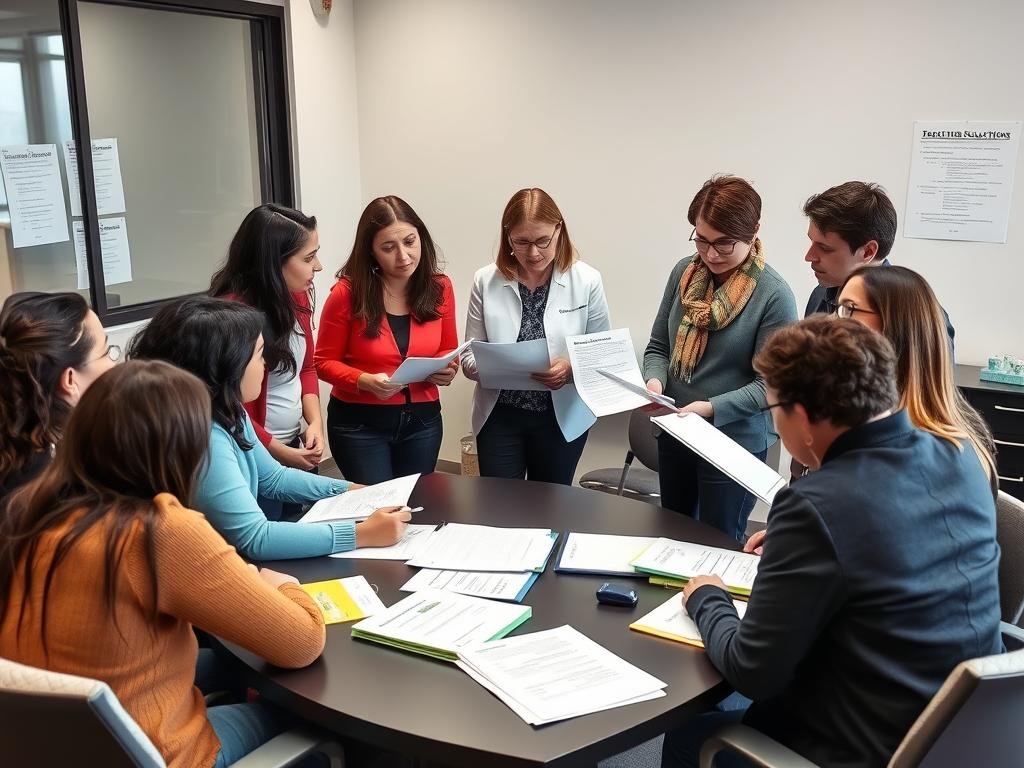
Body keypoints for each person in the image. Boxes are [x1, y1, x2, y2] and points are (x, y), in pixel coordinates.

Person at [661, 315, 1002, 768]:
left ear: (801, 416)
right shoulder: (957, 453)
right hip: (964, 731)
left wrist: (707, 597)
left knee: (688, 736)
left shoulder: (814, 505)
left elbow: (752, 671)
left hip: (861, 746)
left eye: (773, 409)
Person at [0, 360, 328, 767]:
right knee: (313, 715)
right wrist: (282, 586)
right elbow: (302, 642)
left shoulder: (33, 510)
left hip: (58, 745)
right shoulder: (157, 531)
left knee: (229, 667)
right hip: (159, 750)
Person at [128, 296, 409, 561]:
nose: (266, 365)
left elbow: (273, 478)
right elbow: (255, 536)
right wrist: (361, 534)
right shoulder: (202, 438)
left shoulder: (227, 408)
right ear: (226, 366)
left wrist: (352, 490)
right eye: (260, 354)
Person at [643, 176, 797, 541]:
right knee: (671, 537)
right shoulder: (685, 272)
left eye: (725, 243)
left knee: (719, 543)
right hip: (676, 429)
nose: (710, 254)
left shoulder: (774, 295)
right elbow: (658, 347)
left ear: (754, 231)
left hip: (734, 442)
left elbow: (771, 387)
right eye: (702, 239)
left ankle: (713, 601)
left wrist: (709, 408)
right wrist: (654, 383)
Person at [461, 187, 610, 485]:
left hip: (561, 417)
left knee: (551, 507)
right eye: (521, 242)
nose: (533, 253)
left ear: (560, 231)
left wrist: (569, 371)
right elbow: (467, 356)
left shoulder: (587, 281)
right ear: (507, 237)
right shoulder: (485, 280)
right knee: (500, 507)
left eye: (543, 241)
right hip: (500, 416)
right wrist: (496, 369)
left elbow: (601, 354)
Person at [315, 196, 458, 485]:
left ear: (422, 238)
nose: (403, 256)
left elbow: (448, 348)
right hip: (359, 425)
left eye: (409, 241)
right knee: (376, 512)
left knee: (417, 507)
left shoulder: (440, 287)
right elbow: (322, 362)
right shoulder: (346, 294)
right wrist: (363, 381)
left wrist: (447, 368)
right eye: (388, 248)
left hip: (423, 421)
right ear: (371, 252)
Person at [837, 264, 997, 489]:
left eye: (849, 309)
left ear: (894, 325)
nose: (835, 323)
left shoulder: (931, 455)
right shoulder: (876, 424)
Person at [210, 204, 326, 472]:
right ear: (274, 263)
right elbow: (233, 403)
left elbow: (306, 368)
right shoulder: (232, 315)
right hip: (254, 453)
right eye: (308, 259)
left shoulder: (296, 294)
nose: (318, 267)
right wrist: (277, 451)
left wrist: (316, 424)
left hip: (293, 444)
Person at [802, 180, 955, 343]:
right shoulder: (820, 296)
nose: (809, 256)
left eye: (825, 248)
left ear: (868, 251)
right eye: (811, 242)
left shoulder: (918, 318)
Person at [0, 291, 118, 502]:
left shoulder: (21, 452)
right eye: (106, 351)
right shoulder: (55, 488)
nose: (114, 364)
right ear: (70, 380)